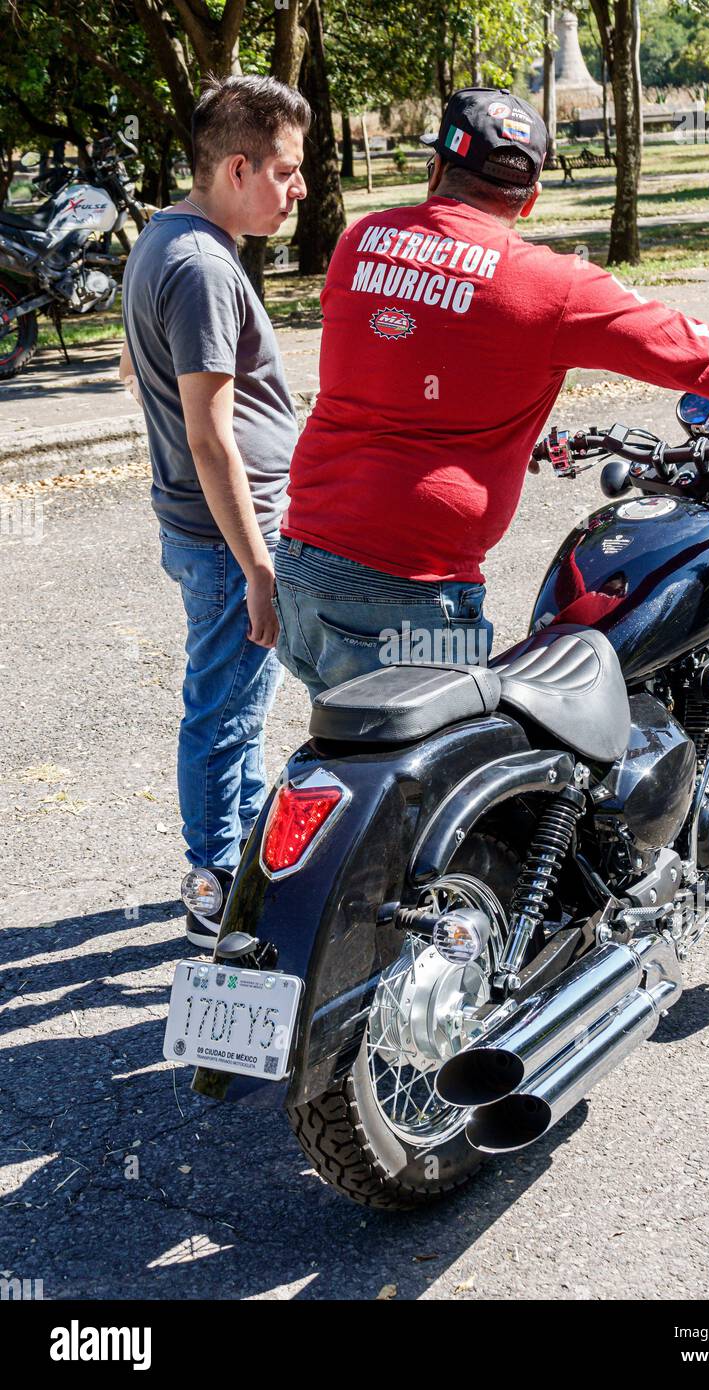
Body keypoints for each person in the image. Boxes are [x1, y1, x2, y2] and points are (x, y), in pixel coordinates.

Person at [273, 87, 709, 701]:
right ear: (530, 201)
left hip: (303, 569)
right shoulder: (548, 286)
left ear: (436, 168)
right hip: (412, 597)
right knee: (457, 777)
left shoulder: (357, 243)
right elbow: (692, 348)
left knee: (352, 755)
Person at [121, 74, 309, 949]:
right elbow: (210, 439)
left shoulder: (166, 235)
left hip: (210, 530)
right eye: (285, 170)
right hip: (232, 535)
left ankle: (239, 865)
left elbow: (137, 372)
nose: (298, 188)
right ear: (237, 168)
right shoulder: (199, 267)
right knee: (224, 710)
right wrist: (259, 564)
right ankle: (214, 881)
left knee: (237, 702)